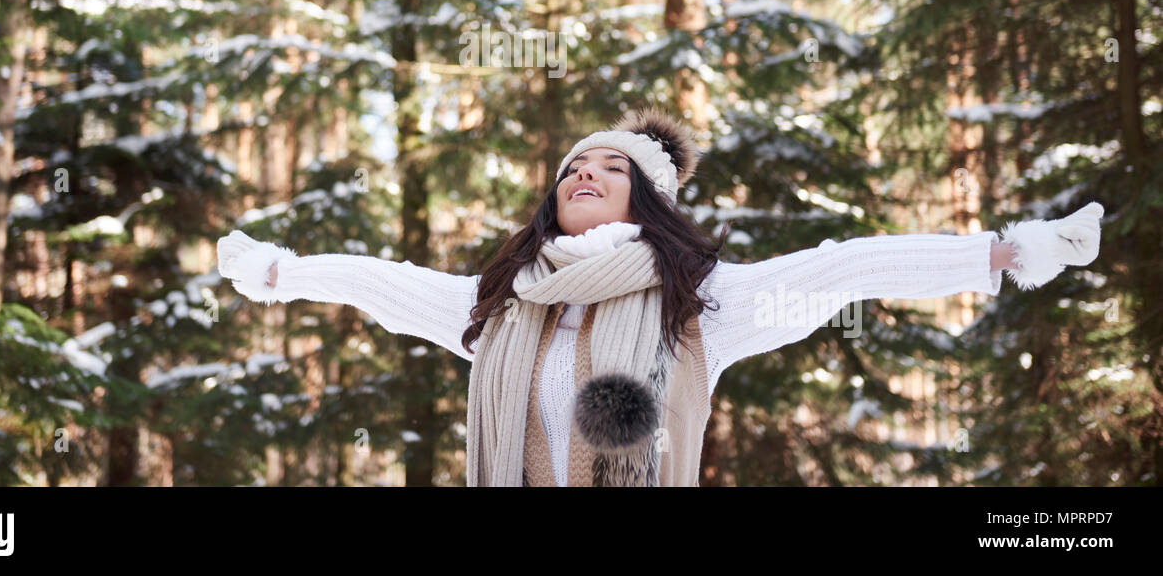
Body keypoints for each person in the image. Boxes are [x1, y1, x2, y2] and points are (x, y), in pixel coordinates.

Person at [216, 105, 1104, 486]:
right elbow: (386, 286)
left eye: (610, 165)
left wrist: (1002, 251)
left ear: (647, 195)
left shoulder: (701, 304)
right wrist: (277, 272)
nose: (585, 173)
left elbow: (847, 268)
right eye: (573, 166)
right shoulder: (503, 306)